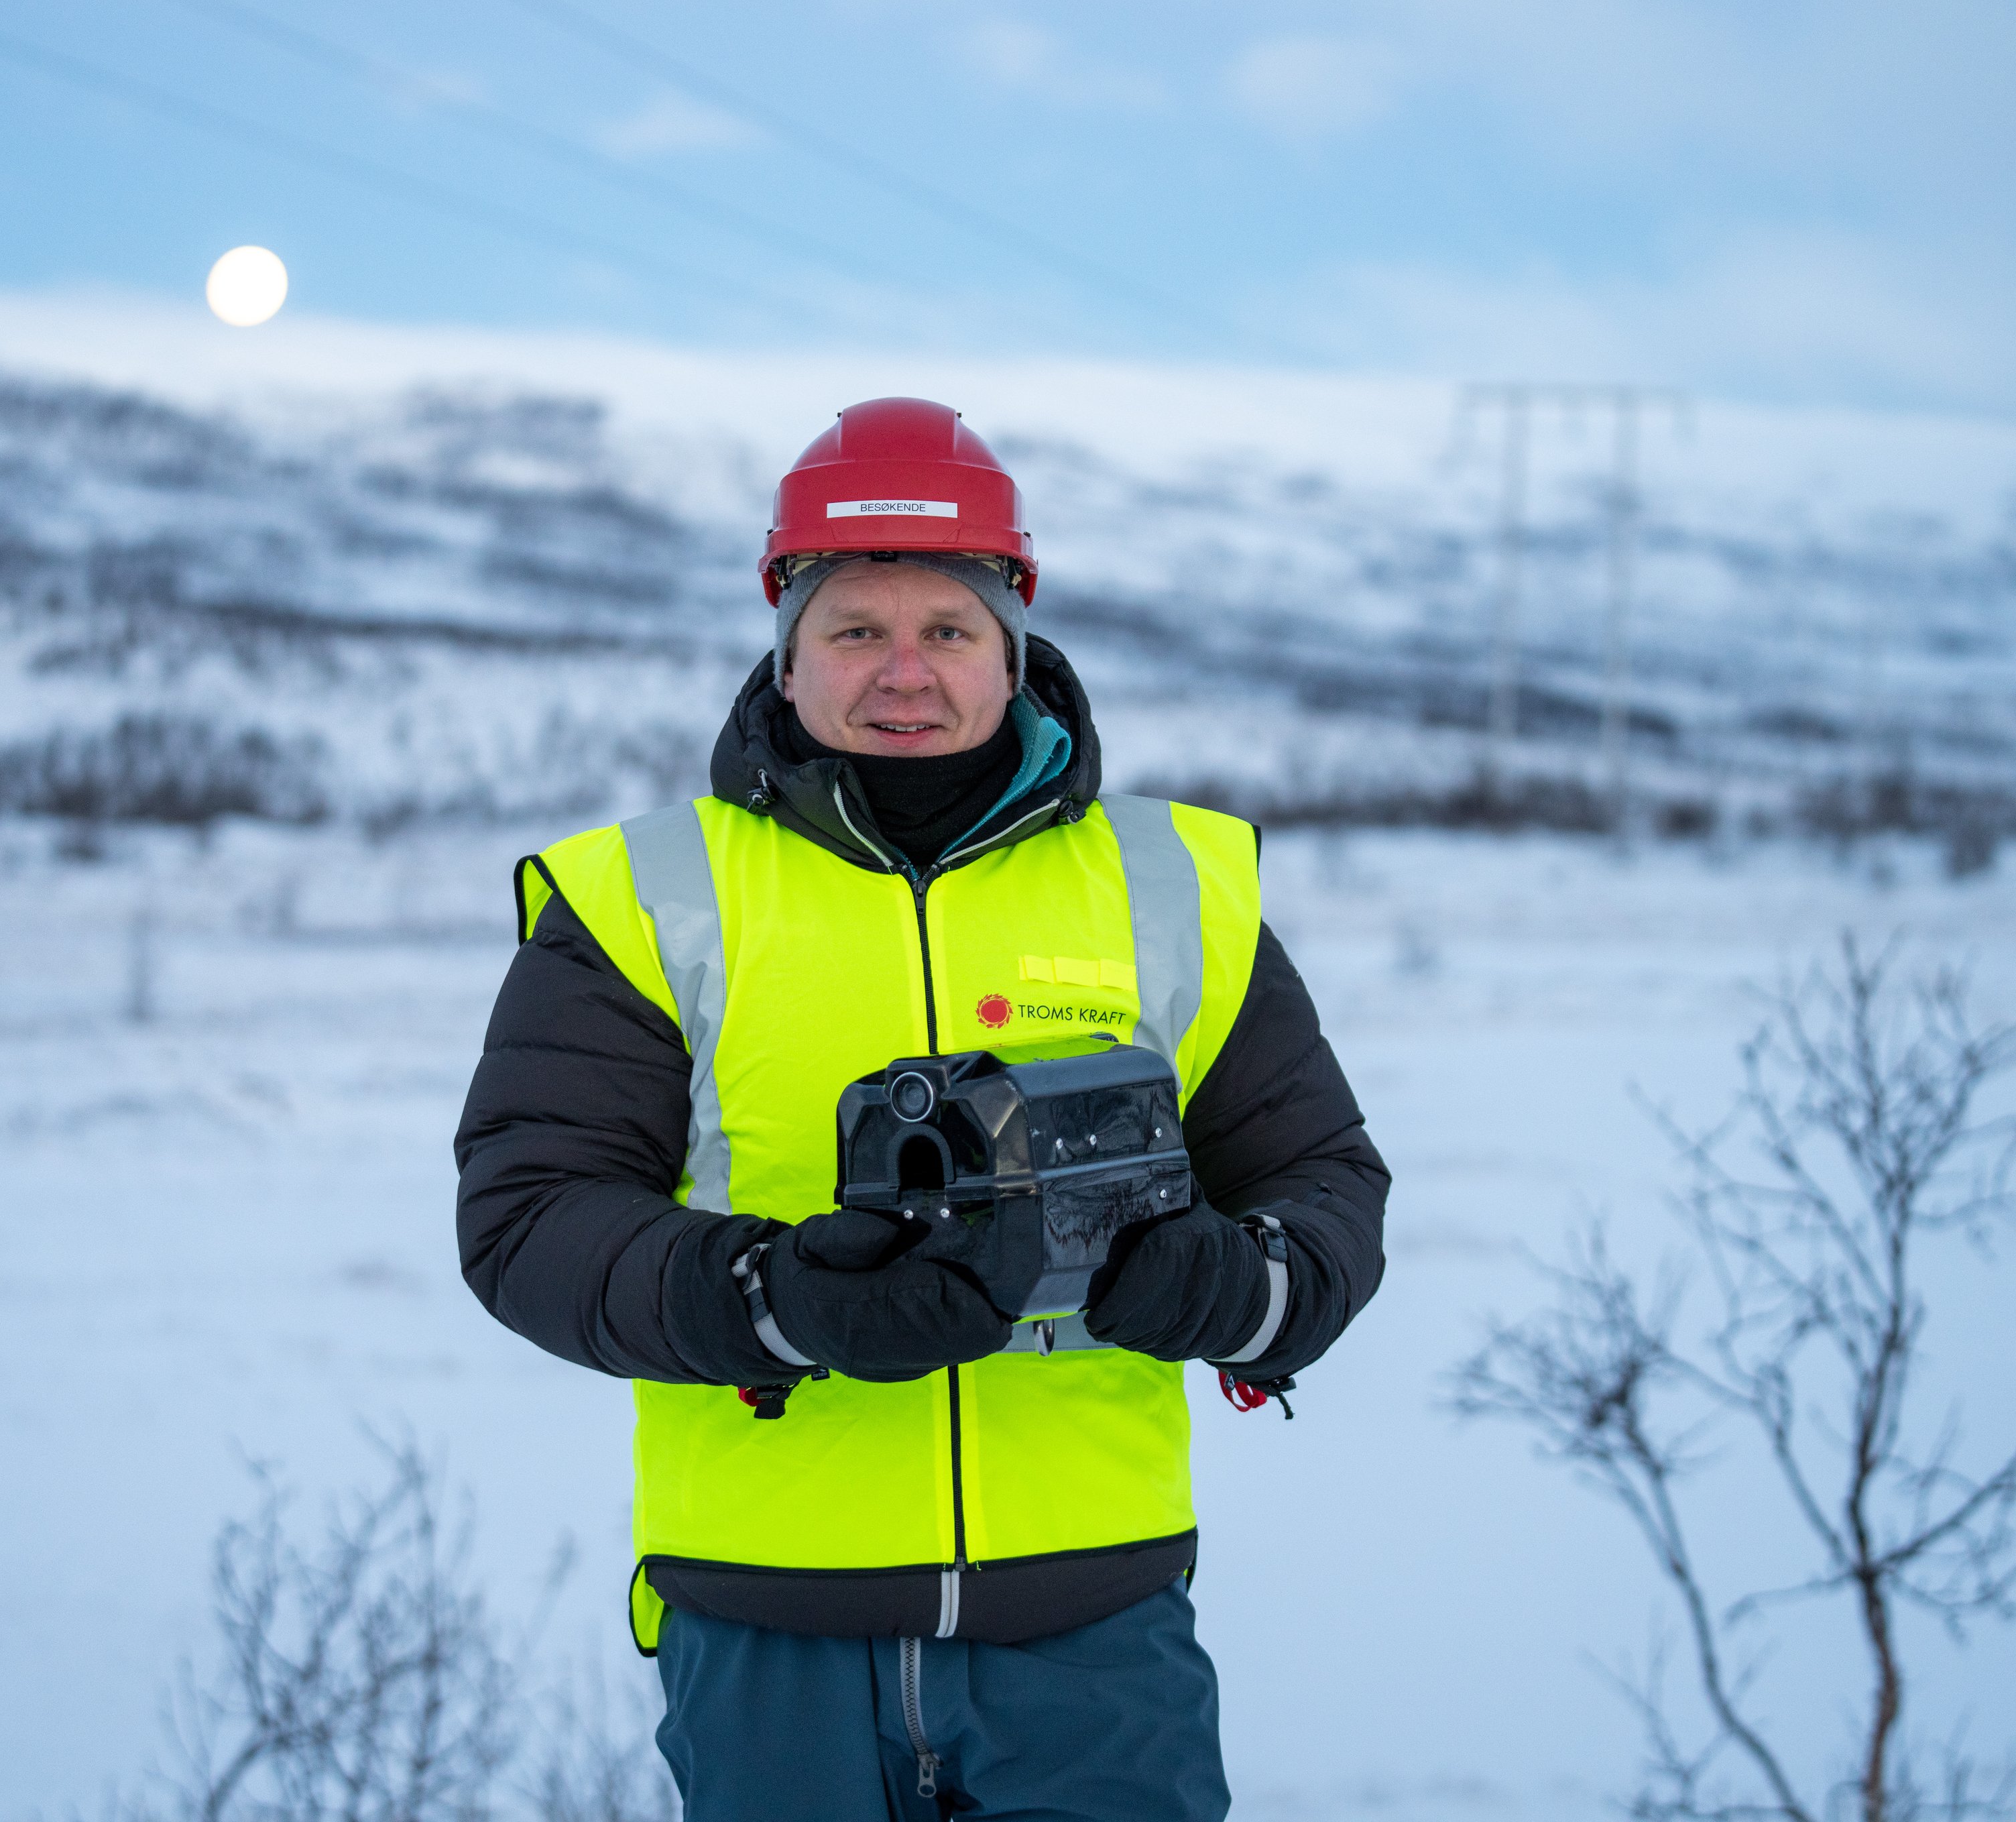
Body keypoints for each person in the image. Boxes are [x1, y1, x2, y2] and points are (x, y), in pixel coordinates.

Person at [456, 396, 1391, 1821]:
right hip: (769, 1625)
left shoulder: (1176, 882)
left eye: (947, 630)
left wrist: (1229, 1288)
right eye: (856, 629)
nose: (905, 671)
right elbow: (530, 1222)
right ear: (789, 647)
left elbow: (1323, 1189)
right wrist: (775, 1302)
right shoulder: (642, 897)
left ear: (1012, 646)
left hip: (1095, 1630)